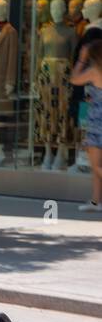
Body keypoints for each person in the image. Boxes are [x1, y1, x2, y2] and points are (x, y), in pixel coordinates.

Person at [68, 39, 102, 211]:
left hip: (97, 122)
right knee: (96, 166)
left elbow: (74, 79)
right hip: (97, 121)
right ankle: (96, 202)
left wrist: (81, 59)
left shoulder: (94, 71)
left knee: (96, 165)